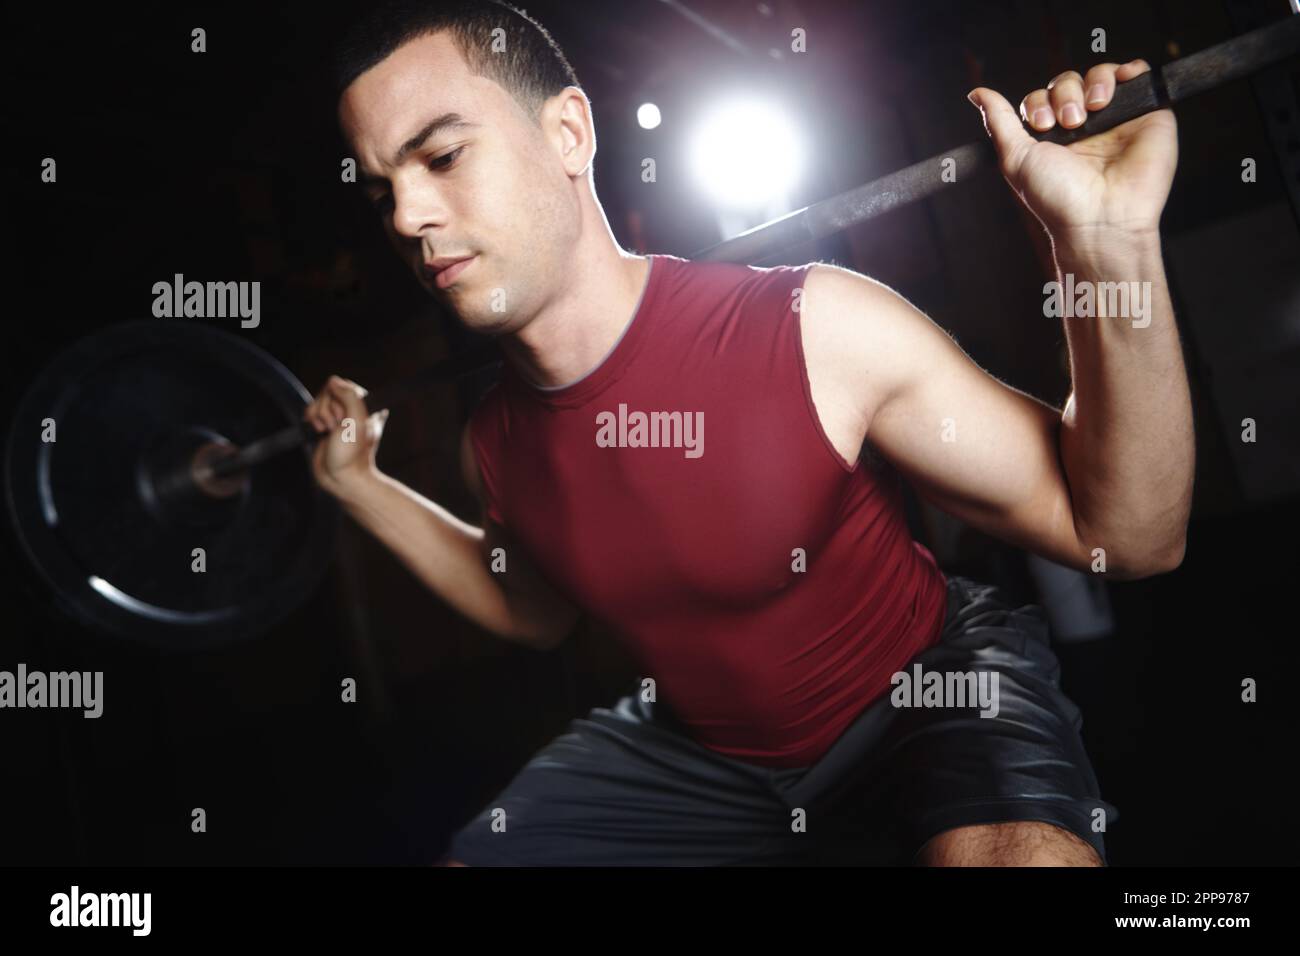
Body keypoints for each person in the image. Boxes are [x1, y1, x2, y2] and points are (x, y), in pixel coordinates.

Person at [305, 0, 1193, 865]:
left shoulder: (816, 330)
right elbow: (533, 610)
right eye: (384, 187)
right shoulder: (493, 443)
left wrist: (1108, 245)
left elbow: (1126, 536)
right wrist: (361, 486)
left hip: (925, 693)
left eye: (444, 156)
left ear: (568, 134)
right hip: (703, 754)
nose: (406, 217)